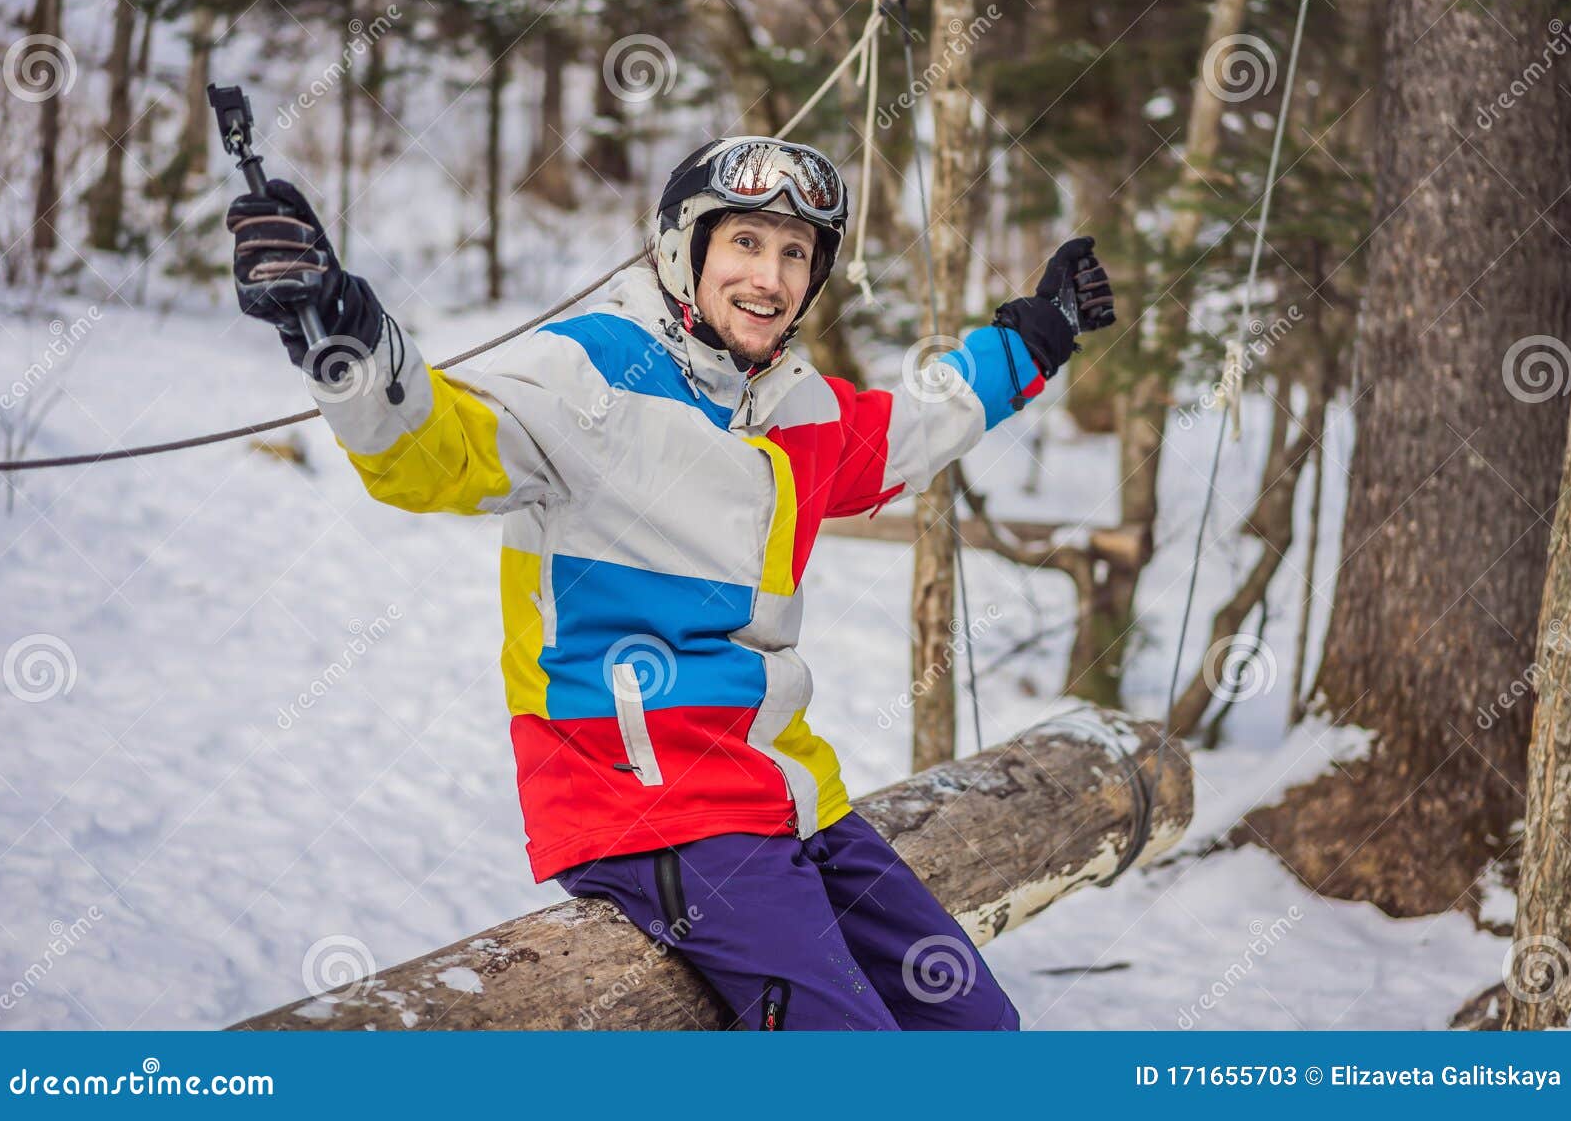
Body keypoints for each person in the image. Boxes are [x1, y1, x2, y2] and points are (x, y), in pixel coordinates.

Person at [226, 136, 1115, 1030]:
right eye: (746, 243)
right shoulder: (586, 370)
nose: (769, 278)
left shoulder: (794, 403)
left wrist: (1033, 337)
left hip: (788, 795)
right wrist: (343, 336)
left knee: (978, 1028)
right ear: (685, 247)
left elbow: (912, 431)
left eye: (795, 253)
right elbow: (434, 452)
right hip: (649, 806)